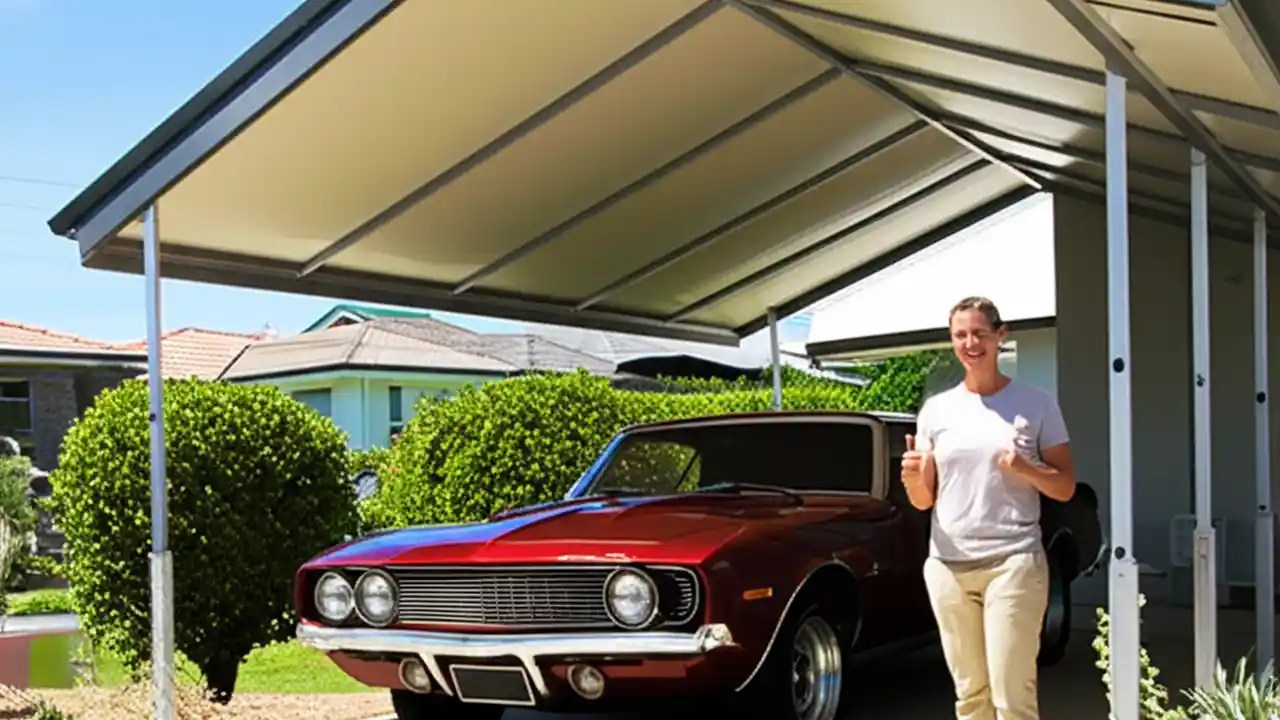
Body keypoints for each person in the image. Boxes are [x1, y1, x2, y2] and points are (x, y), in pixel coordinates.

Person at [900, 296, 1076, 720]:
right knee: (971, 697)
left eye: (980, 333)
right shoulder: (936, 411)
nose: (970, 343)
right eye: (961, 335)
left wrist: (1024, 466)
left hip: (1012, 564)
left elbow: (1066, 487)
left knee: (1011, 697)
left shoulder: (1036, 404)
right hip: (947, 567)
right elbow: (924, 501)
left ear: (1001, 337)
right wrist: (913, 480)